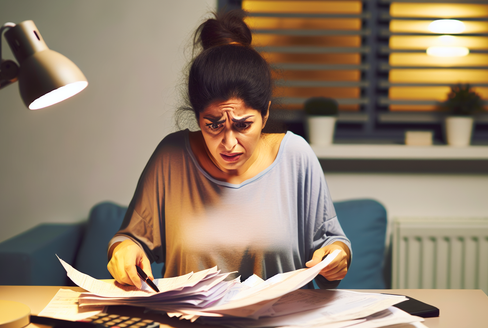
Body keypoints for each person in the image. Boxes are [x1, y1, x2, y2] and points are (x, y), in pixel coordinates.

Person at [107, 10, 351, 290]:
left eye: (243, 125)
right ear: (198, 117)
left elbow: (332, 242)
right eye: (213, 125)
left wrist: (337, 257)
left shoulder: (295, 155)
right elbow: (131, 239)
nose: (229, 143)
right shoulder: (171, 157)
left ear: (265, 113)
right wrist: (123, 250)